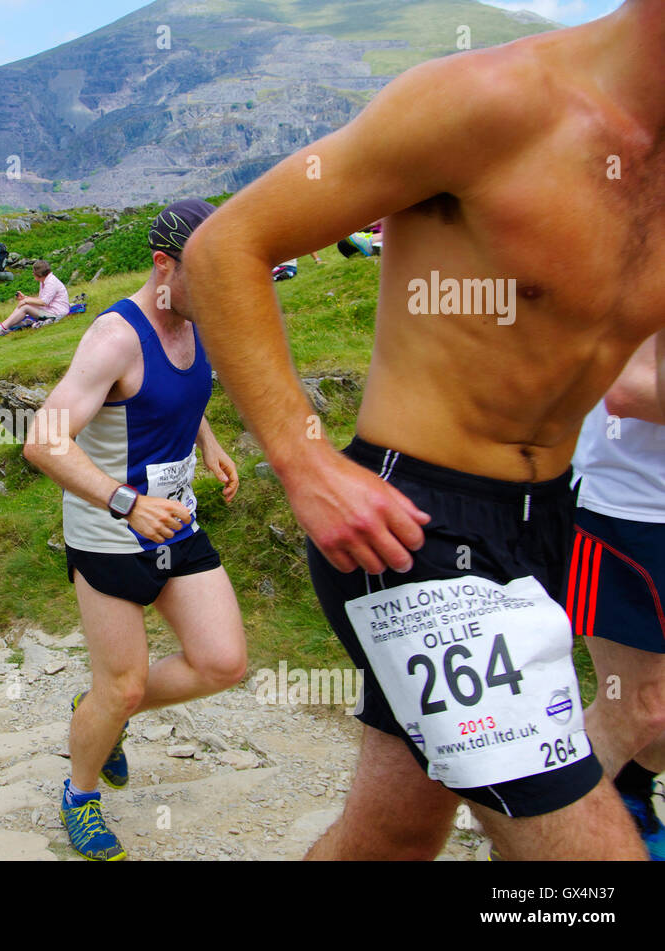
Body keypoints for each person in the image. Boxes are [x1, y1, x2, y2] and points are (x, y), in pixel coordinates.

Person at [182, 2, 664, 860]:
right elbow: (227, 247)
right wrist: (303, 458)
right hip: (414, 529)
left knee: (395, 834)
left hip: (551, 516)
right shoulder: (492, 102)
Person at [24, 199, 246, 861]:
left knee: (222, 661)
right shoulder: (114, 337)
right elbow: (43, 440)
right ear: (162, 266)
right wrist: (126, 502)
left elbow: (177, 389)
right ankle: (80, 793)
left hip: (174, 521)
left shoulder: (198, 314)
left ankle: (102, 711)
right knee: (121, 683)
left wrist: (207, 442)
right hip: (109, 529)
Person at [567, 338, 665, 859]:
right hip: (630, 510)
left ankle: (626, 795)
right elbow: (629, 389)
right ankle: (536, 843)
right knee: (638, 706)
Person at [0, 261, 69, 336]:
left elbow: (44, 302)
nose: (33, 274)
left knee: (25, 306)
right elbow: (41, 299)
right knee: (25, 304)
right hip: (50, 310)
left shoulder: (51, 282)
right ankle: (3, 326)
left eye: (33, 272)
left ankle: (2, 328)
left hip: (57, 313)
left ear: (38, 273)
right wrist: (25, 298)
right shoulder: (44, 281)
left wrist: (26, 300)